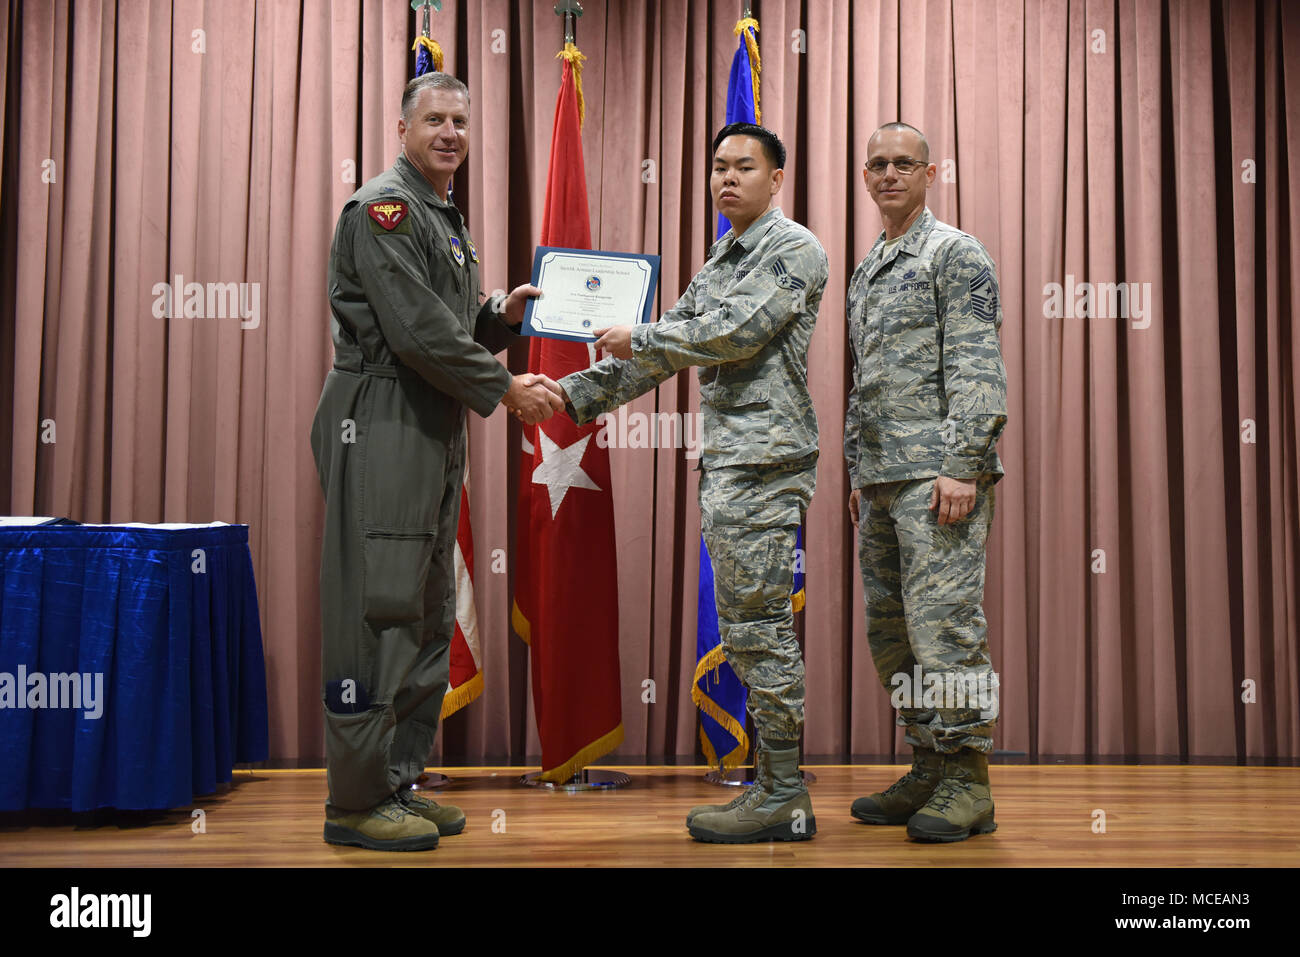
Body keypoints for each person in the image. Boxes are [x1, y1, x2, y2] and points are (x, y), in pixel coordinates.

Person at [310, 72, 561, 852]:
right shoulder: (384, 209)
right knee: (374, 609)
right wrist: (505, 386)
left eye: (461, 119)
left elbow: (443, 323)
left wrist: (496, 317)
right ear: (403, 127)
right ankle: (354, 802)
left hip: (429, 418)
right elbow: (414, 332)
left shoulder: (442, 214)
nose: (450, 132)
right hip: (382, 419)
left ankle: (395, 781)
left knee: (423, 610)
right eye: (435, 120)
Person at [556, 122, 828, 843]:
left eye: (744, 166)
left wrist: (636, 334)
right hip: (734, 464)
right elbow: (668, 344)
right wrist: (569, 393)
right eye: (717, 168)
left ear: (777, 179)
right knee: (747, 625)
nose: (727, 179)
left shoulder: (794, 249)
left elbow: (733, 334)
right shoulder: (719, 258)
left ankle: (782, 792)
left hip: (766, 465)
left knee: (762, 629)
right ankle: (776, 789)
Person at [845, 121, 1008, 842]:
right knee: (894, 634)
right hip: (881, 480)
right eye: (876, 164)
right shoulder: (867, 265)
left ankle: (970, 780)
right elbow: (865, 383)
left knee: (946, 629)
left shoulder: (954, 252)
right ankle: (929, 765)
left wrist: (962, 463)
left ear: (930, 172)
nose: (887, 174)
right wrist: (858, 470)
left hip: (938, 476)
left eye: (902, 163)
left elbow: (976, 364)